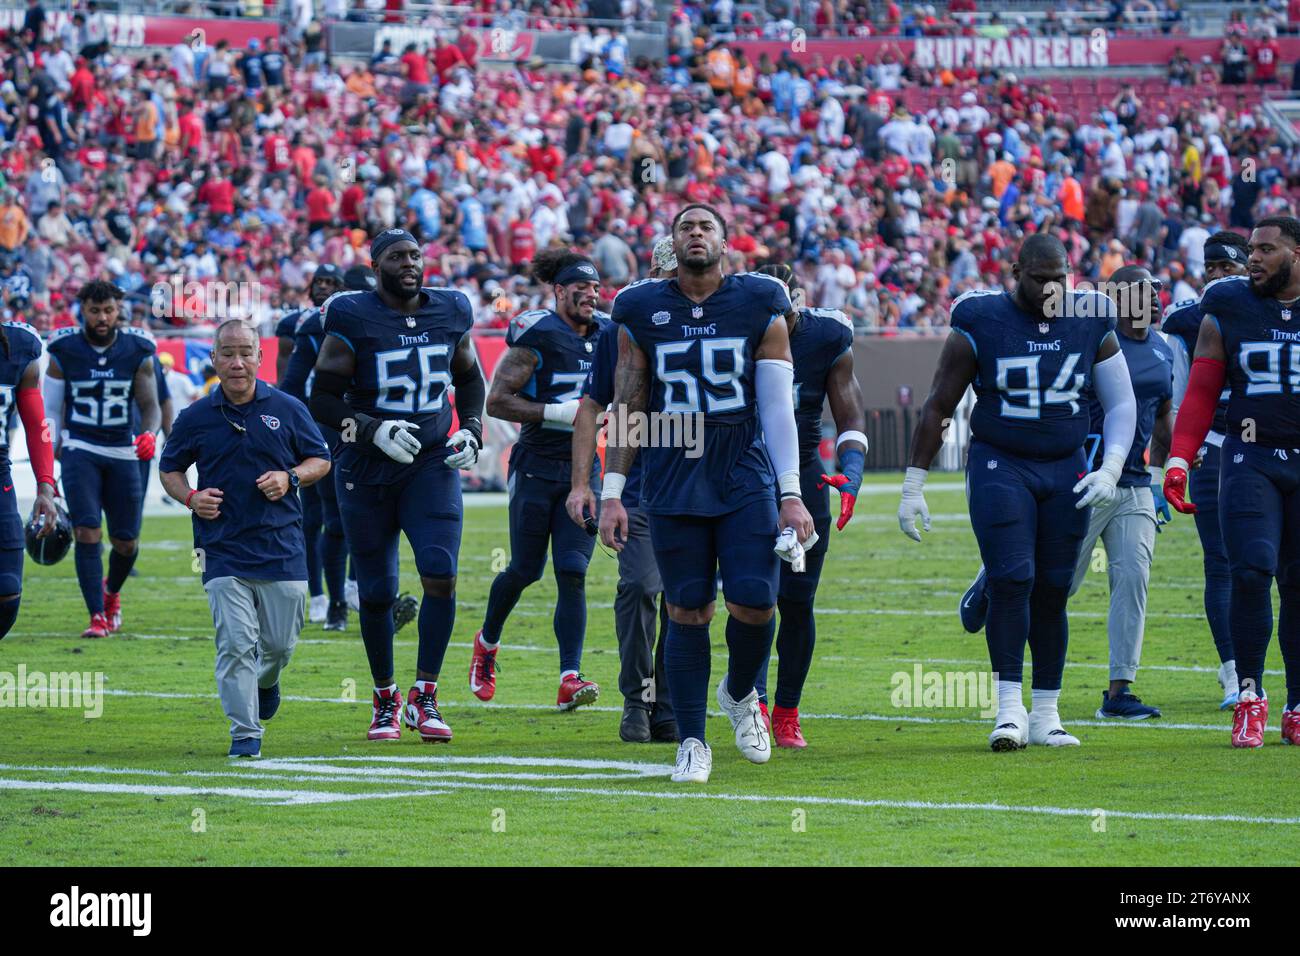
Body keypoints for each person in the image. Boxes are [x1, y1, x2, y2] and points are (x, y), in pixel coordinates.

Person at [598, 203, 815, 784]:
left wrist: (791, 492)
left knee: (756, 600)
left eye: (706, 226)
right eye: (685, 226)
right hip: (673, 473)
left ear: (725, 242)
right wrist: (612, 490)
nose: (696, 233)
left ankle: (741, 694)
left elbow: (776, 406)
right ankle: (692, 741)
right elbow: (629, 402)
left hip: (743, 468)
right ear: (673, 243)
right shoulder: (640, 307)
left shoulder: (759, 300)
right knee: (686, 609)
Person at [900, 234, 1137, 750]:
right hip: (999, 462)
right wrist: (913, 483)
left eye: (1061, 276)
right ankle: (1009, 709)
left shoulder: (1091, 317)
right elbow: (939, 404)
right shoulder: (981, 319)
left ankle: (1046, 713)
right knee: (1013, 579)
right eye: (1041, 278)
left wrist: (1112, 466)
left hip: (1066, 467)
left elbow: (1121, 402)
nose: (1053, 287)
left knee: (1053, 589)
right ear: (1015, 272)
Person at [308, 230, 486, 743]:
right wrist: (370, 429)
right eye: (396, 257)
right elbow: (322, 398)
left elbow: (470, 379)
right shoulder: (352, 315)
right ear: (376, 264)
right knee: (379, 591)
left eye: (415, 255)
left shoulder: (450, 310)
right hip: (365, 467)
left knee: (440, 572)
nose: (409, 263)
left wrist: (471, 429)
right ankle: (384, 697)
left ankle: (424, 695)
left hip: (430, 463)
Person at [159, 320, 331, 758]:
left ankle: (268, 680)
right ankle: (244, 734)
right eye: (227, 353)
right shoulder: (195, 416)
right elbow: (170, 470)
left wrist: (289, 477)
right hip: (221, 548)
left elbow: (321, 460)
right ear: (213, 359)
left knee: (279, 645)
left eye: (245, 353)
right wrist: (192, 497)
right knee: (235, 643)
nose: (237, 362)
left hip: (282, 545)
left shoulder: (289, 408)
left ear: (260, 356)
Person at [1164, 216, 1300, 748]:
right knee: (1250, 570)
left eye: (1266, 250)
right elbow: (1201, 389)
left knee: (1297, 583)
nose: (1255, 260)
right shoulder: (1228, 303)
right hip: (1250, 457)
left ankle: (1295, 702)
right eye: (1252, 250)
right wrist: (1179, 458)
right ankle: (1248, 696)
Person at [468, 250, 607, 711]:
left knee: (573, 570)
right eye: (581, 288)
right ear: (559, 291)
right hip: (534, 466)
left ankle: (570, 676)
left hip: (584, 470)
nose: (591, 294)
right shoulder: (538, 333)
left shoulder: (609, 333)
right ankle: (486, 644)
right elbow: (497, 401)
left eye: (595, 287)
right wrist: (554, 411)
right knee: (525, 569)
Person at [751, 263, 867, 748]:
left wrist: (853, 471)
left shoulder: (826, 335)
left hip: (804, 480)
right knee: (751, 599)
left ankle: (786, 710)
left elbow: (848, 408)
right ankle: (751, 702)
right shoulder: (738, 327)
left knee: (797, 603)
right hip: (746, 481)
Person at [566, 237, 677, 743]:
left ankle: (670, 698)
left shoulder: (726, 316)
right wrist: (583, 484)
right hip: (637, 479)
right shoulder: (624, 325)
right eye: (671, 271)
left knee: (687, 595)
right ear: (653, 270)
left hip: (703, 474)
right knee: (639, 585)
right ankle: (638, 695)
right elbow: (592, 404)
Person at [1066, 265, 1174, 720]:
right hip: (1089, 478)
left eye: (1157, 291)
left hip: (1134, 484)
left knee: (1132, 579)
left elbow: (1163, 413)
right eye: (1145, 291)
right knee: (1061, 584)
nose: (1154, 298)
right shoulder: (1097, 340)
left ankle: (1118, 693)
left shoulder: (1163, 348)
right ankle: (993, 579)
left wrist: (1168, 473)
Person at [1160, 231, 1250, 709]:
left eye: (1226, 267)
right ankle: (1234, 672)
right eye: (1209, 267)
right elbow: (1179, 395)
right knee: (1221, 563)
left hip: (1274, 446)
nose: (1215, 275)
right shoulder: (1188, 321)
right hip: (1215, 446)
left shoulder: (1273, 308)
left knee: (1275, 565)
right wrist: (1180, 450)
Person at [43, 281, 160, 638]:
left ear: (118, 309)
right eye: (95, 311)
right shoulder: (65, 348)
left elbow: (150, 406)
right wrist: (52, 450)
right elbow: (49, 408)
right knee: (87, 531)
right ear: (83, 311)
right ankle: (96, 615)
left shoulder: (137, 348)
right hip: (80, 448)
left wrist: (150, 434)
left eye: (108, 310)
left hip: (123, 450)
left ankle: (111, 594)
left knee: (126, 541)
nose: (102, 317)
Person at [275, 263, 344, 625]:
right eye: (319, 282)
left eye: (332, 283)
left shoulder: (354, 319)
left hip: (345, 425)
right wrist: (296, 428)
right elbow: (287, 381)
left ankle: (348, 587)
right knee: (314, 515)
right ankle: (317, 592)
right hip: (312, 427)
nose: (324, 288)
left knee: (345, 516)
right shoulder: (299, 326)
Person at [2, 316, 59, 637]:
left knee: (7, 593)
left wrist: (46, 488)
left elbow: (37, 427)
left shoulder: (18, 349)